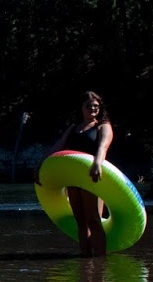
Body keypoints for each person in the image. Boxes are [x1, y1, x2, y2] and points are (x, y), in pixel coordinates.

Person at [41, 91, 114, 257]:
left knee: (93, 220)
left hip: (91, 176)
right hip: (73, 179)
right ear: (82, 108)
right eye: (89, 106)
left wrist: (97, 164)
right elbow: (58, 146)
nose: (93, 108)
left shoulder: (103, 126)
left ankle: (100, 261)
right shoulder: (74, 128)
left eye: (96, 106)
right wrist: (41, 165)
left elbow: (103, 146)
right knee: (81, 222)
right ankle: (85, 258)